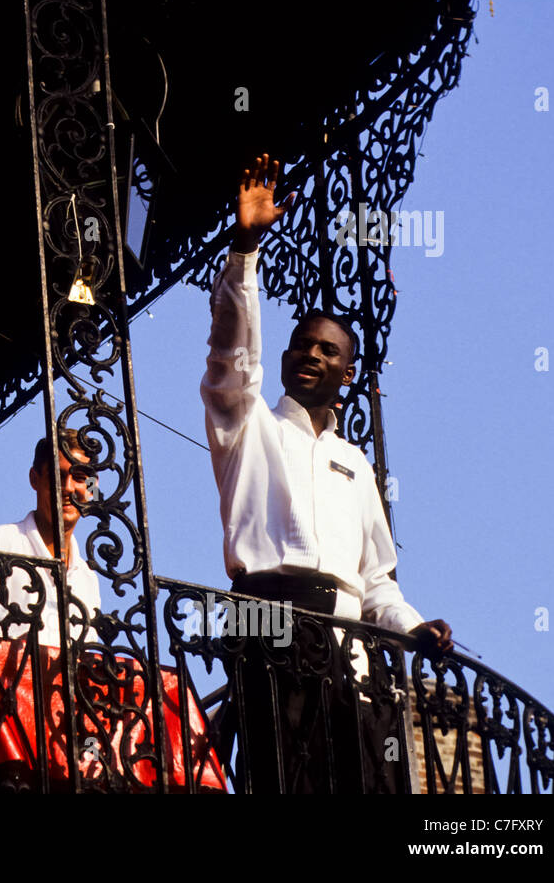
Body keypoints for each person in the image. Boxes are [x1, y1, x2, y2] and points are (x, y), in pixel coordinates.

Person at [201, 153, 452, 793]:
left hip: (350, 651)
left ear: (348, 375)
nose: (310, 354)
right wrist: (244, 251)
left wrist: (414, 626)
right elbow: (232, 353)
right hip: (270, 629)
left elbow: (376, 582)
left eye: (327, 350)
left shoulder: (356, 463)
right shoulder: (247, 424)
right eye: (301, 344)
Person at [0, 431, 101, 645]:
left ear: (92, 488)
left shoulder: (88, 579)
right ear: (35, 479)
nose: (69, 487)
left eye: (80, 478)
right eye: (57, 476)